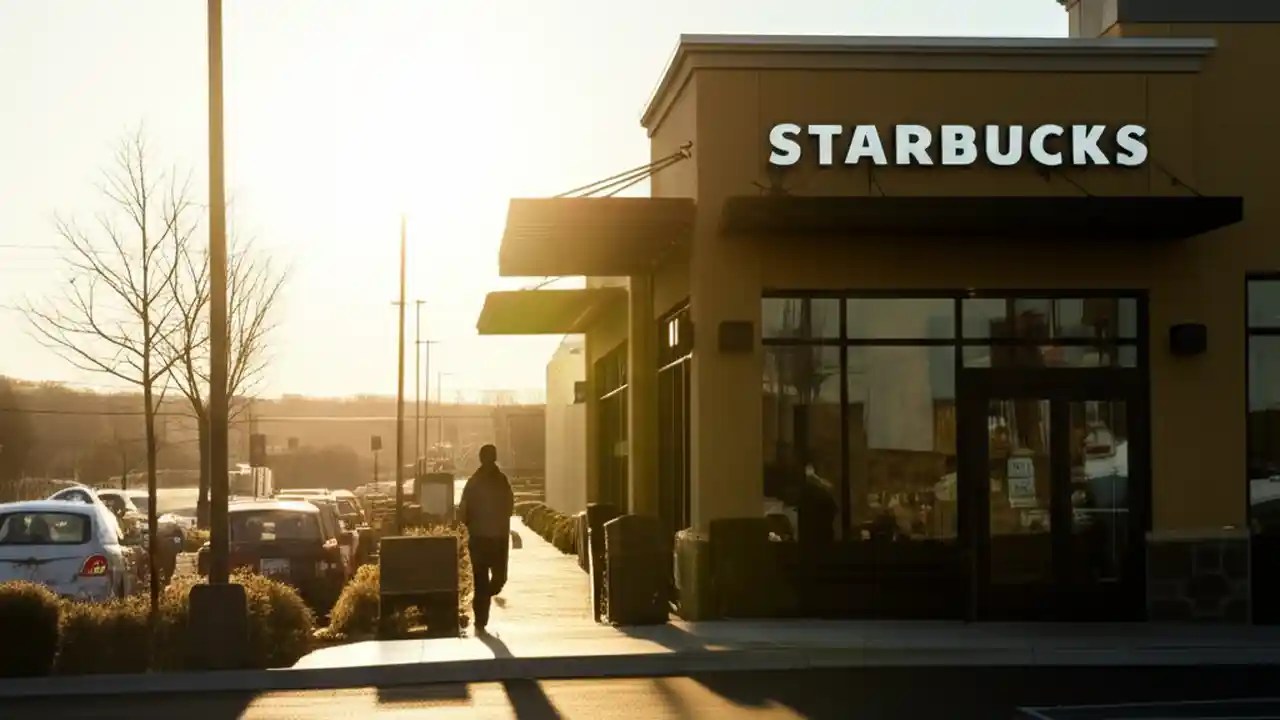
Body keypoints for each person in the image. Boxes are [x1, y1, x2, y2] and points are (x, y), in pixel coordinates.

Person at [457, 444, 514, 634]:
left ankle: (481, 609)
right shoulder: (498, 481)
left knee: (484, 580)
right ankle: (481, 615)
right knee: (495, 578)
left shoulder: (477, 482)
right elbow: (509, 507)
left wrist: (468, 523)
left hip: (485, 538)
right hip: (493, 538)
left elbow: (463, 511)